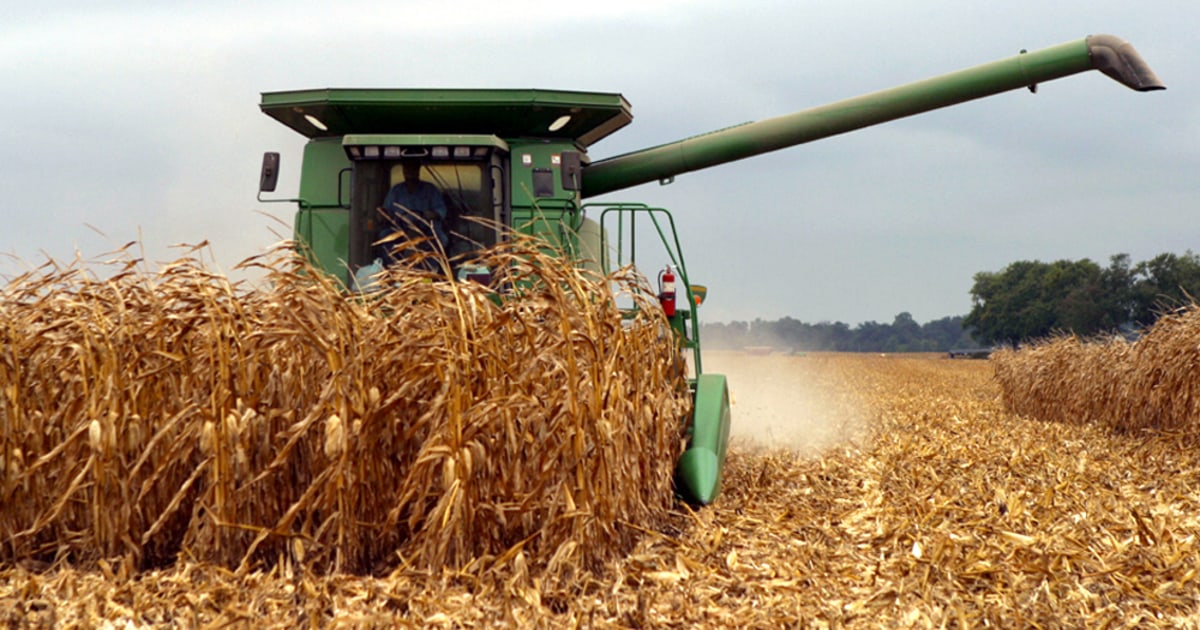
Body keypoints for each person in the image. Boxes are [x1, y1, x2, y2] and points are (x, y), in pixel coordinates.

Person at [376, 160, 449, 266]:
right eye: (407, 169)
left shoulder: (430, 189)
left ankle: (431, 272)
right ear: (403, 171)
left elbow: (441, 211)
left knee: (441, 239)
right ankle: (392, 269)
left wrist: (428, 214)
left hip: (426, 231)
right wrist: (382, 214)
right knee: (384, 237)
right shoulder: (396, 190)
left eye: (413, 169)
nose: (410, 172)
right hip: (400, 231)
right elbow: (387, 211)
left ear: (418, 170)